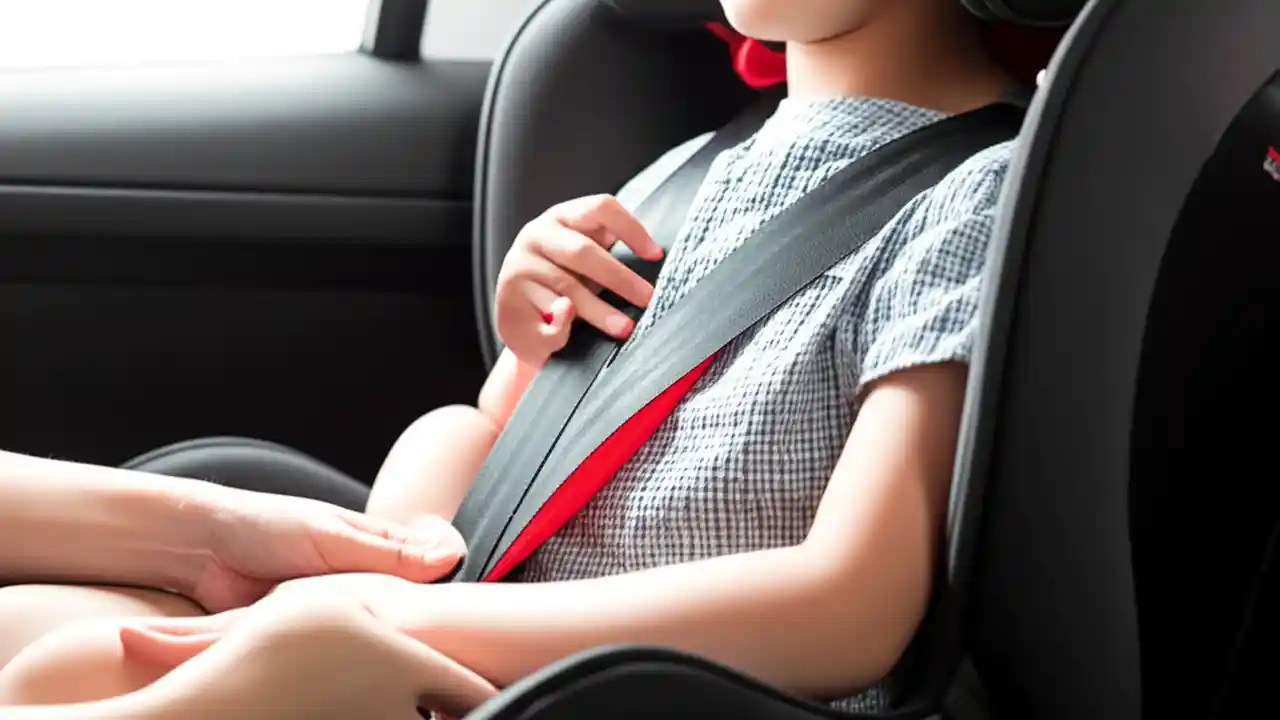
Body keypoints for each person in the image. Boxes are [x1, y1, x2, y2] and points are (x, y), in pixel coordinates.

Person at [0, 0, 1022, 713]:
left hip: (644, 695)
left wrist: (400, 620)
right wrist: (529, 362)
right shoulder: (682, 174)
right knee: (42, 642)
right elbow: (492, 479)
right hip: (480, 646)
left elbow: (851, 611)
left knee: (79, 674)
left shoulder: (976, 197)